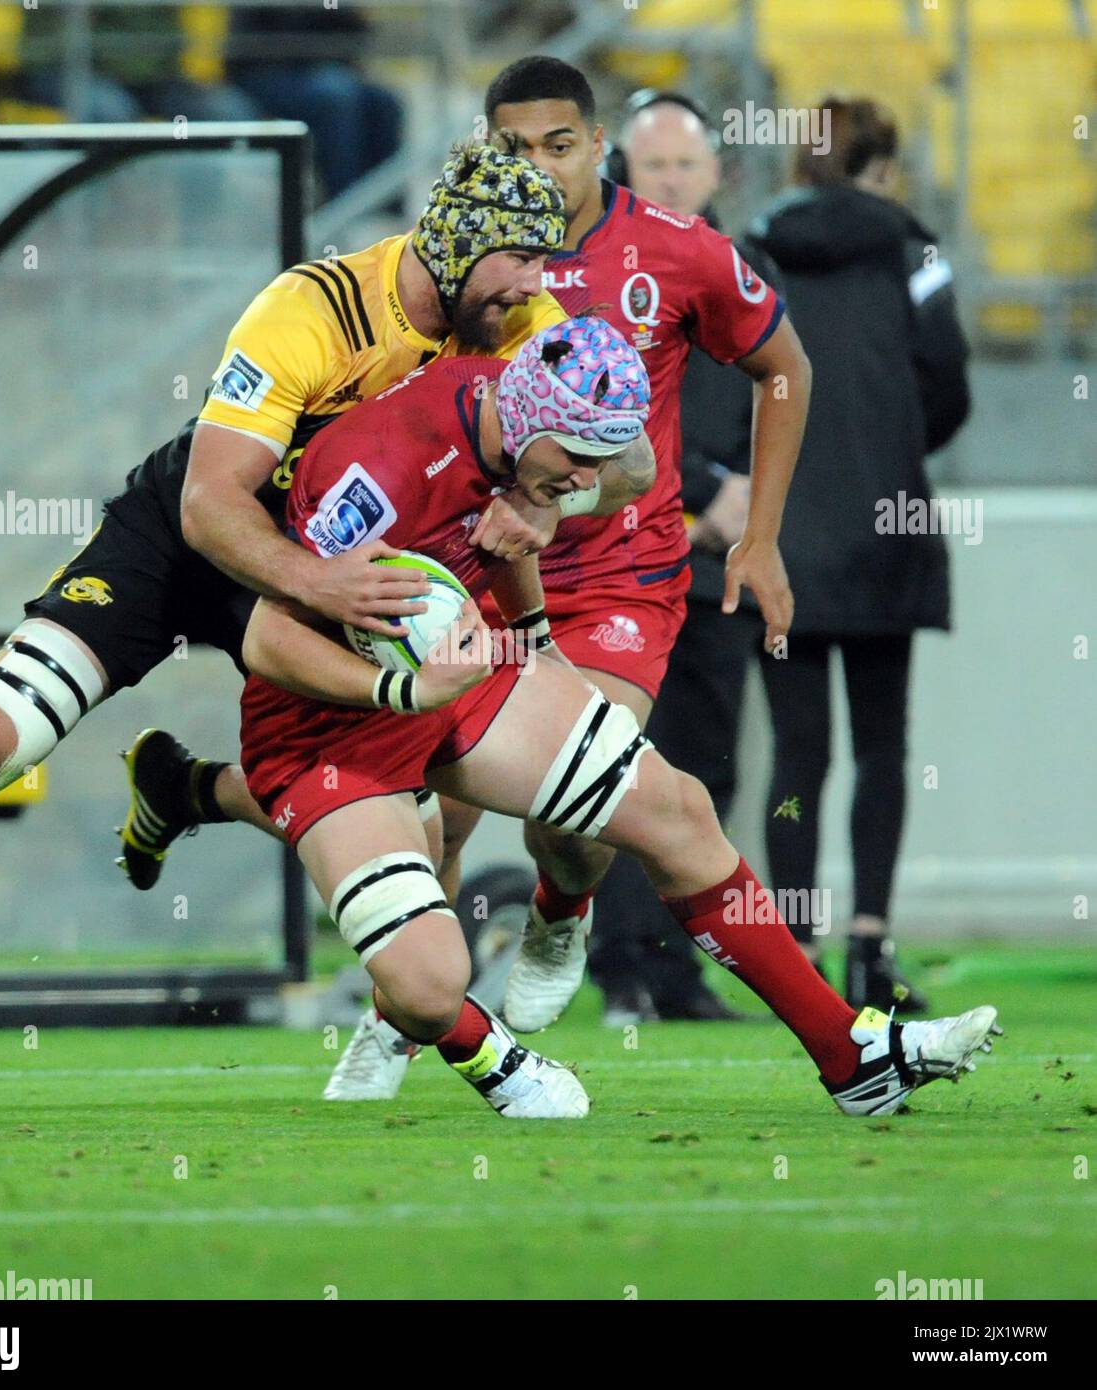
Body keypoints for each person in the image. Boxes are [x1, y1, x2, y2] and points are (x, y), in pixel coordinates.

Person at [240, 316, 1000, 1119]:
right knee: (429, 989)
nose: (585, 480)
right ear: (528, 418)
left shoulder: (508, 426)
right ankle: (489, 1057)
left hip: (454, 677)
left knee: (675, 809)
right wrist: (404, 694)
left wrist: (534, 644)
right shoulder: (380, 471)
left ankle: (851, 1058)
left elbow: (506, 528)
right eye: (576, 458)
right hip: (326, 728)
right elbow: (267, 636)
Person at [0, 146, 568, 886]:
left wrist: (537, 499)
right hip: (190, 542)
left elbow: (621, 449)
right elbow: (209, 503)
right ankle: (184, 788)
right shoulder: (314, 306)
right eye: (519, 257)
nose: (534, 284)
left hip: (323, 574)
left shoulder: (528, 325)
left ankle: (189, 791)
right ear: (456, 240)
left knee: (423, 844)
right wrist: (317, 583)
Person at [421, 57, 810, 1050]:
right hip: (474, 568)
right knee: (435, 825)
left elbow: (782, 367)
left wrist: (758, 537)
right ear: (483, 149)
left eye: (560, 145)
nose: (541, 168)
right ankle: (409, 1010)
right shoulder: (455, 255)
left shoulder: (677, 250)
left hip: (614, 579)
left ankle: (559, 907)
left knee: (574, 810)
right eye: (514, 149)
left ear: (599, 145)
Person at [744, 97, 971, 1012]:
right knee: (883, 748)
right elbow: (949, 384)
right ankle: (869, 950)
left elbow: (733, 372)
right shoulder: (913, 249)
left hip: (782, 533)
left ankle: (792, 952)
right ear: (883, 166)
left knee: (797, 754)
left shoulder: (755, 251)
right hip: (888, 531)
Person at [588, 91, 776, 1025]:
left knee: (706, 777)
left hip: (719, 567)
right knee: (613, 767)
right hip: (623, 557)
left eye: (684, 166)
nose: (670, 180)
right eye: (652, 165)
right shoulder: (594, 268)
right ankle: (619, 964)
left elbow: (786, 387)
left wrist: (751, 508)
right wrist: (702, 486)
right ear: (623, 167)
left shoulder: (740, 269)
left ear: (713, 174)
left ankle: (679, 969)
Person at [226, 5, 403, 199]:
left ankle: (384, 208)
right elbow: (252, 38)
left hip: (323, 69)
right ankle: (344, 206)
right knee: (334, 96)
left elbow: (356, 30)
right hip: (264, 71)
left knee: (384, 102)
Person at [16, 4, 256, 123]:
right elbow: (51, 39)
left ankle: (204, 217)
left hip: (155, 79)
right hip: (64, 72)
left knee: (227, 112)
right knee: (111, 112)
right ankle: (100, 214)